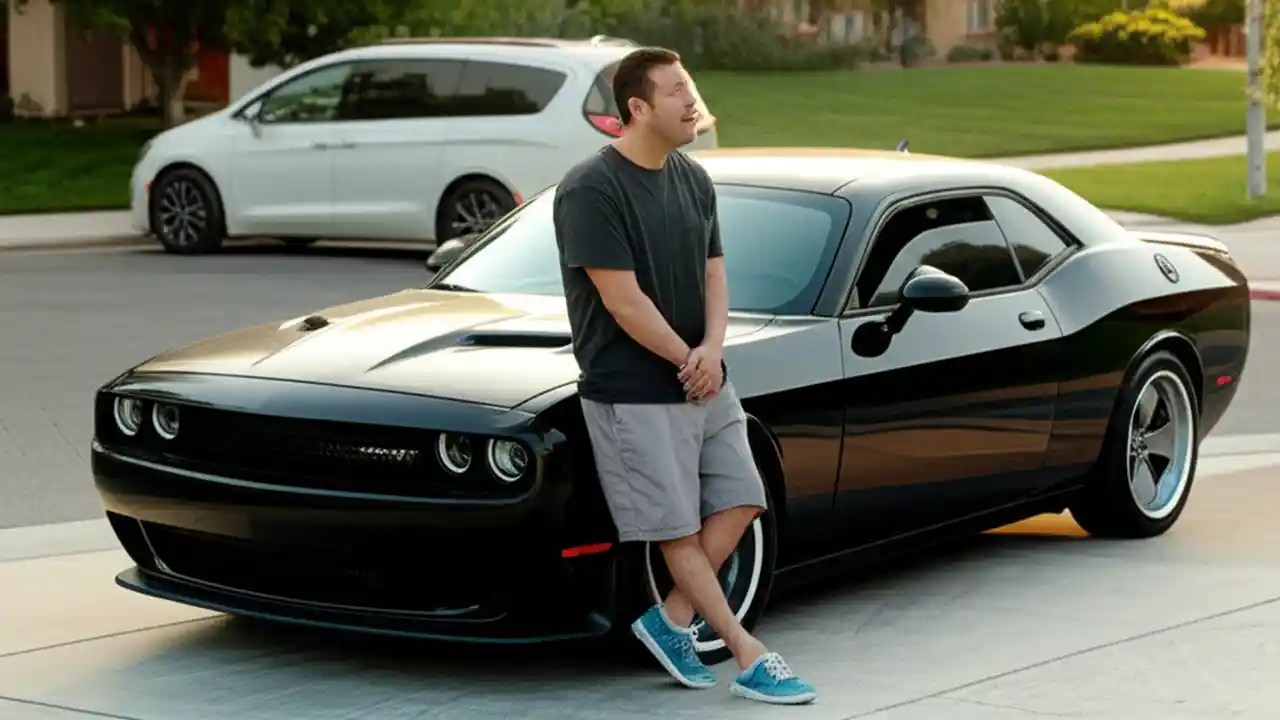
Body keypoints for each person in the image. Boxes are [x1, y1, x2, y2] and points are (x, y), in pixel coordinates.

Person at [552, 46, 816, 706]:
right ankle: (749, 655)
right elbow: (622, 300)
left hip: (704, 375)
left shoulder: (692, 178)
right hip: (634, 391)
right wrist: (687, 358)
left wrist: (712, 349)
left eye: (689, 86)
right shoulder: (590, 189)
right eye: (675, 91)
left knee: (742, 498)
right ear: (636, 109)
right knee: (676, 530)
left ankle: (669, 621)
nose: (691, 99)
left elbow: (714, 272)